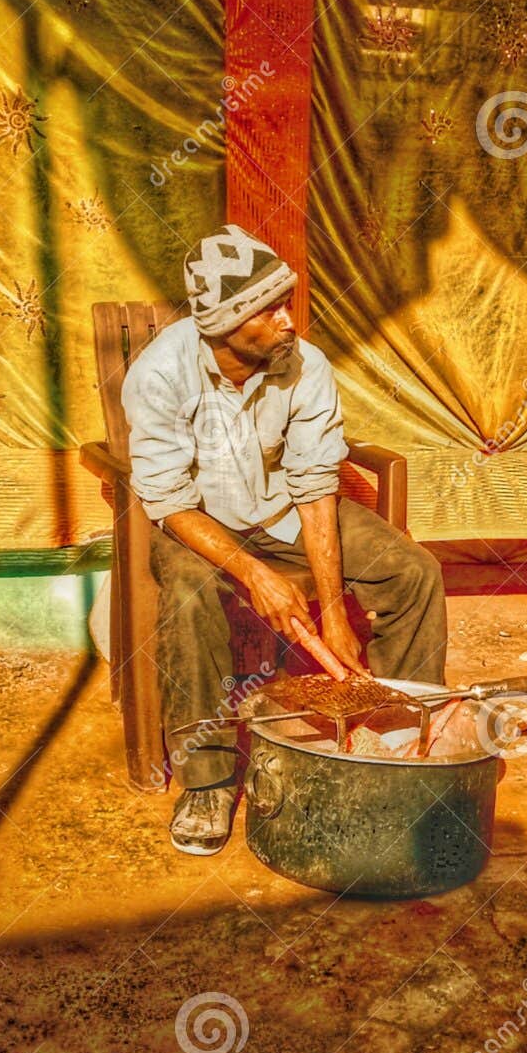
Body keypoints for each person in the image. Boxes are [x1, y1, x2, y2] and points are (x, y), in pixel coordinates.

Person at [125, 223, 447, 853]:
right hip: (200, 525)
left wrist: (332, 611)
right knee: (189, 595)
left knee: (413, 571)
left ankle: (395, 733)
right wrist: (255, 574)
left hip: (285, 514)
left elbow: (314, 483)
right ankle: (209, 778)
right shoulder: (161, 375)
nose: (287, 321)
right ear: (226, 325)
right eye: (269, 310)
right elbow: (165, 497)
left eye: (285, 303)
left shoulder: (306, 367)